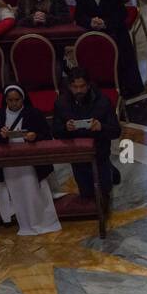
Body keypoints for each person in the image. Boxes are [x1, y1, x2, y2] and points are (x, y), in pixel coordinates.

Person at [0, 86, 61, 234]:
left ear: (23, 99)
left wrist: (34, 137)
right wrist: (1, 136)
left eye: (17, 100)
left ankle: (37, 218)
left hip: (29, 163)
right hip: (7, 163)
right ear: (5, 100)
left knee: (31, 190)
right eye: (10, 100)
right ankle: (11, 217)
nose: (14, 103)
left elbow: (46, 135)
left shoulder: (34, 114)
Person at [52, 67, 121, 203]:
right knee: (87, 194)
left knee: (104, 192)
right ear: (69, 86)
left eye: (82, 86)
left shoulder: (103, 101)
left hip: (99, 153)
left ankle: (110, 171)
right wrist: (65, 128)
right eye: (74, 87)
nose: (78, 90)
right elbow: (55, 131)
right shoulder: (61, 103)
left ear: (88, 85)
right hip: (77, 157)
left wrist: (101, 127)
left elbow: (116, 131)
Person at [73, 0, 146, 98]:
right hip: (91, 30)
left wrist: (105, 23)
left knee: (123, 45)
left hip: (113, 29)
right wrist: (90, 22)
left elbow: (122, 14)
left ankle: (126, 86)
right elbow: (79, 16)